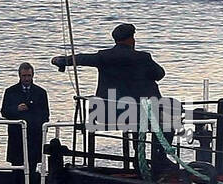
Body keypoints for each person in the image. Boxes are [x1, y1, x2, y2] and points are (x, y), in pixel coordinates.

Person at [52, 23, 171, 171]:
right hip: (137, 112)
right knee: (170, 114)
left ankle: (137, 158)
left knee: (139, 115)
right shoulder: (142, 58)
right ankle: (159, 157)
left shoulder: (104, 56)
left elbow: (82, 58)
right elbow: (159, 74)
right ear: (130, 39)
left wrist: (62, 61)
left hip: (106, 112)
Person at [0, 62, 50, 168]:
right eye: (24, 76)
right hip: (16, 137)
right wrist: (17, 109)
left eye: (29, 76)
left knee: (32, 168)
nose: (26, 79)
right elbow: (4, 111)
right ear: (19, 76)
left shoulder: (40, 93)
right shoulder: (10, 91)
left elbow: (45, 115)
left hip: (34, 136)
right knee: (16, 169)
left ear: (33, 75)